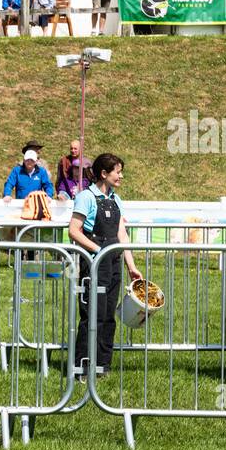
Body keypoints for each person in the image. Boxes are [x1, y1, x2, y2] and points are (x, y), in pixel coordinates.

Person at [69, 152, 143, 377]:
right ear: (104, 173)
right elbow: (73, 230)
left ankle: (102, 366)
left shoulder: (115, 199)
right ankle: (82, 367)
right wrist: (98, 250)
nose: (121, 176)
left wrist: (131, 266)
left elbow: (122, 234)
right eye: (117, 172)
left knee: (109, 315)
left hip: (114, 262)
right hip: (94, 263)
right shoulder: (86, 197)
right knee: (93, 314)